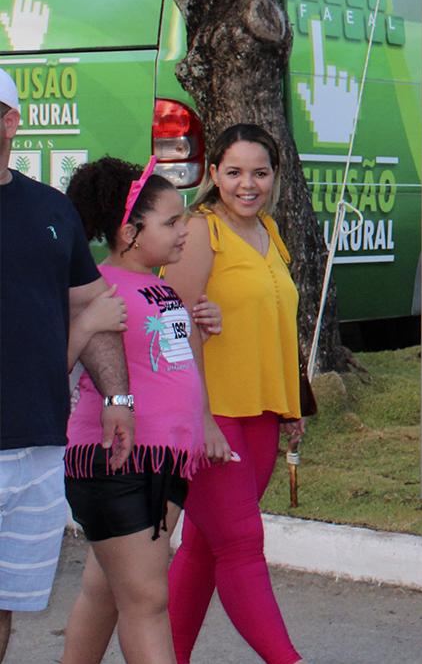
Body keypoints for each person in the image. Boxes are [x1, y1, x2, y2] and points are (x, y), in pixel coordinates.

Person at [61, 159, 231, 664]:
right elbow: (62, 361)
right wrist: (88, 323)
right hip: (120, 461)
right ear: (130, 232)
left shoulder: (158, 285)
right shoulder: (98, 287)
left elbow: (169, 362)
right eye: (171, 222)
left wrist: (202, 321)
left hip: (163, 463)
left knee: (108, 591)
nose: (185, 231)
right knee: (148, 599)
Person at [0, 68, 134, 663]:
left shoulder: (52, 211)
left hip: (36, 446)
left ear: (9, 121)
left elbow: (93, 307)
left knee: (1, 608)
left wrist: (116, 399)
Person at [162, 123, 307, 664]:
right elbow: (171, 327)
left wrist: (292, 404)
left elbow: (272, 320)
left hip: (264, 415)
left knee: (205, 547)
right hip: (212, 416)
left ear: (275, 176)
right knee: (242, 545)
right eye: (235, 172)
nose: (249, 184)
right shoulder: (201, 232)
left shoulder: (269, 230)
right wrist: (199, 420)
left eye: (260, 172)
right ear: (214, 175)